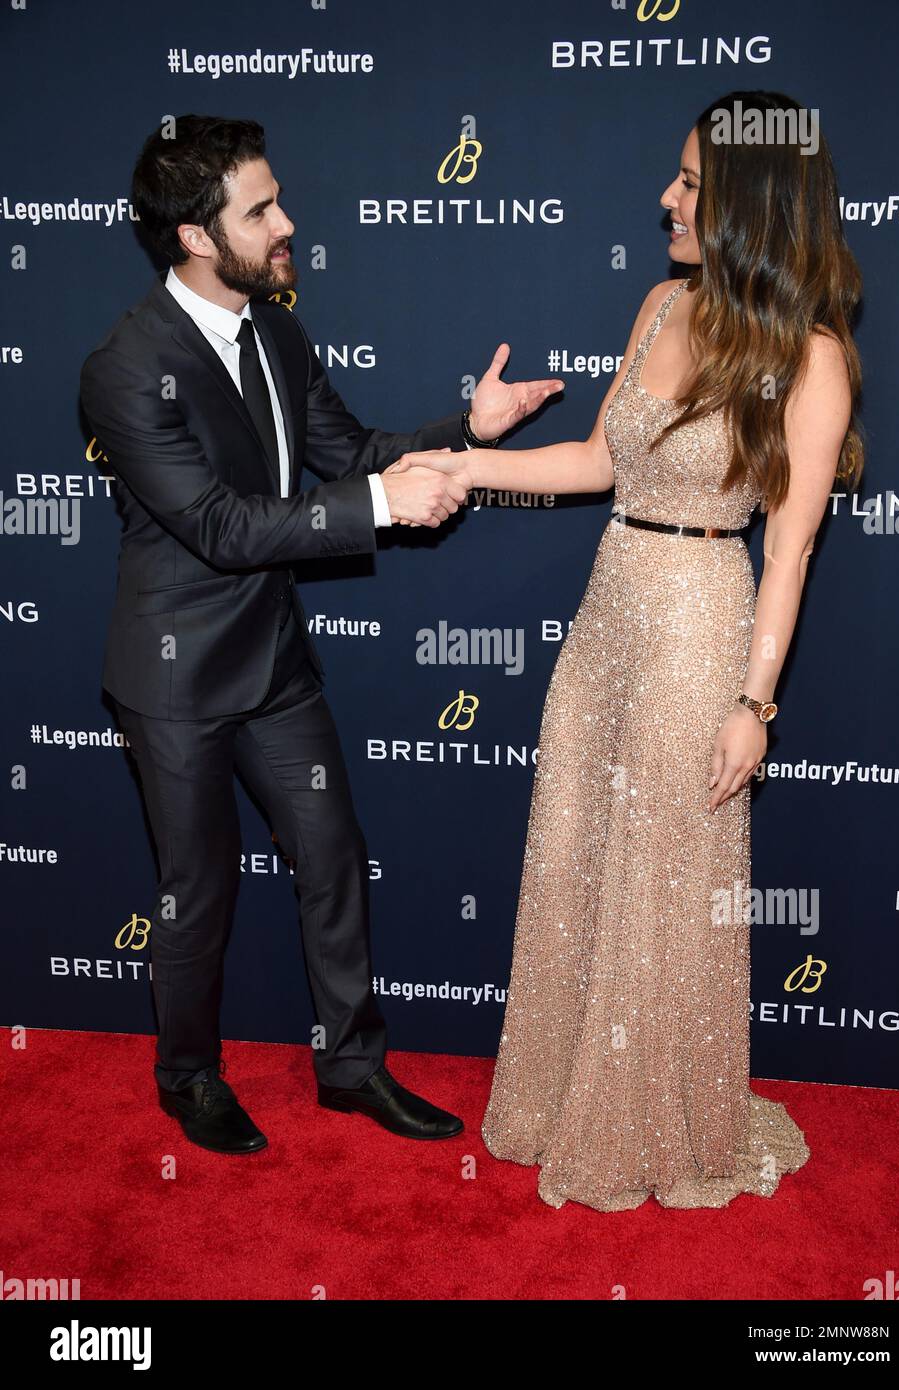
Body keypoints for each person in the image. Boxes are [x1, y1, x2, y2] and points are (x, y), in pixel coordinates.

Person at [389, 90, 864, 1210]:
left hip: (701, 619)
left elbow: (789, 550)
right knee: (571, 856)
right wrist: (465, 464)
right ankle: (561, 1097)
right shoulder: (659, 305)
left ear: (750, 200)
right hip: (607, 611)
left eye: (692, 182)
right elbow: (601, 463)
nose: (668, 197)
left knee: (664, 879)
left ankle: (654, 1119)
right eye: (676, 176)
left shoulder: (811, 357)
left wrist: (755, 704)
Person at [79, 114, 562, 1156]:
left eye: (276, 195)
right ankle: (187, 1075)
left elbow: (352, 452)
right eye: (260, 210)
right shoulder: (125, 367)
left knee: (334, 856)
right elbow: (217, 524)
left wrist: (462, 436)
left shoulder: (280, 331)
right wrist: (384, 504)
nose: (288, 221)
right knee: (196, 888)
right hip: (174, 681)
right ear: (195, 237)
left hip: (273, 661)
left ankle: (350, 1065)